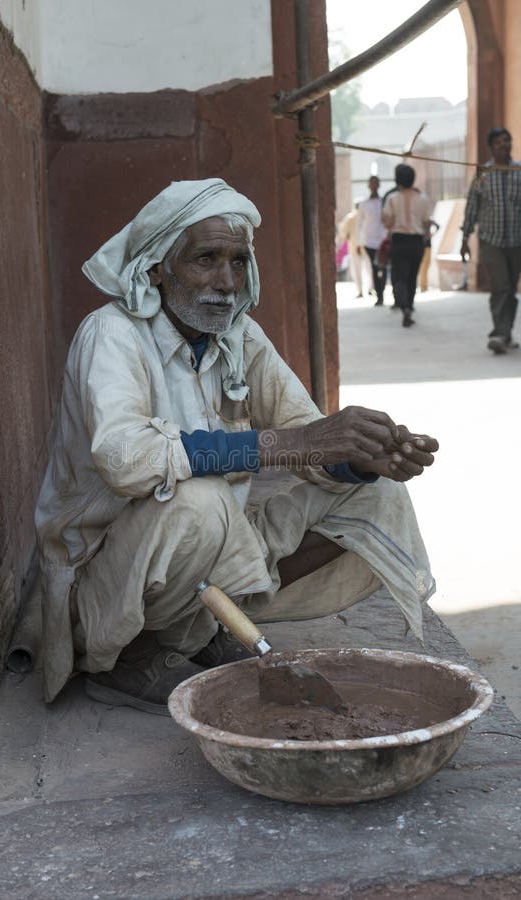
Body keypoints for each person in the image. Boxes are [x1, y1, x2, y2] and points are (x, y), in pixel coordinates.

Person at [35, 178, 439, 714]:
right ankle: (131, 654)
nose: (226, 281)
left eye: (238, 261)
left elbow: (305, 435)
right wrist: (289, 442)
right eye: (205, 259)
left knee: (376, 496)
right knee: (199, 502)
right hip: (105, 577)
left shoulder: (239, 336)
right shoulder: (111, 334)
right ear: (158, 267)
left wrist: (357, 457)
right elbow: (126, 459)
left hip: (203, 545)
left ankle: (199, 629)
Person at [460, 127, 521, 354]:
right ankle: (499, 334)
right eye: (498, 142)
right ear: (491, 147)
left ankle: (505, 332)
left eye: (507, 140)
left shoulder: (519, 171)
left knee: (511, 289)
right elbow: (471, 209)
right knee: (500, 287)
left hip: (516, 241)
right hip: (491, 241)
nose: (504, 145)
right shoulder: (482, 174)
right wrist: (464, 238)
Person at [382, 164, 432, 327]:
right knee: (412, 276)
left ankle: (403, 305)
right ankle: (409, 306)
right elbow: (426, 223)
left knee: (398, 276)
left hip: (399, 241)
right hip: (417, 242)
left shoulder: (392, 199)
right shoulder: (423, 199)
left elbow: (387, 223)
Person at [357, 176, 388, 306]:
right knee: (375, 268)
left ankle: (382, 291)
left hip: (383, 240)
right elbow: (359, 224)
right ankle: (379, 295)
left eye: (376, 183)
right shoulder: (364, 205)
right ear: (369, 185)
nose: (374, 185)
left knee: (384, 267)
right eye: (372, 183)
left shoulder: (384, 202)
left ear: (379, 185)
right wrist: (359, 243)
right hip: (369, 241)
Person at [337, 203, 368, 297]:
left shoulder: (350, 217)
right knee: (369, 269)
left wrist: (345, 238)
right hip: (366, 247)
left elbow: (343, 232)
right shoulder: (366, 216)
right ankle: (371, 288)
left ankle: (360, 290)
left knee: (357, 270)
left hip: (354, 247)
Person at [417, 218, 440, 292]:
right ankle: (423, 285)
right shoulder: (421, 219)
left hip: (426, 245)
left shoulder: (427, 219)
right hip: (421, 244)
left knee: (426, 265)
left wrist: (431, 234)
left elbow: (437, 226)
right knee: (422, 266)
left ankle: (424, 285)